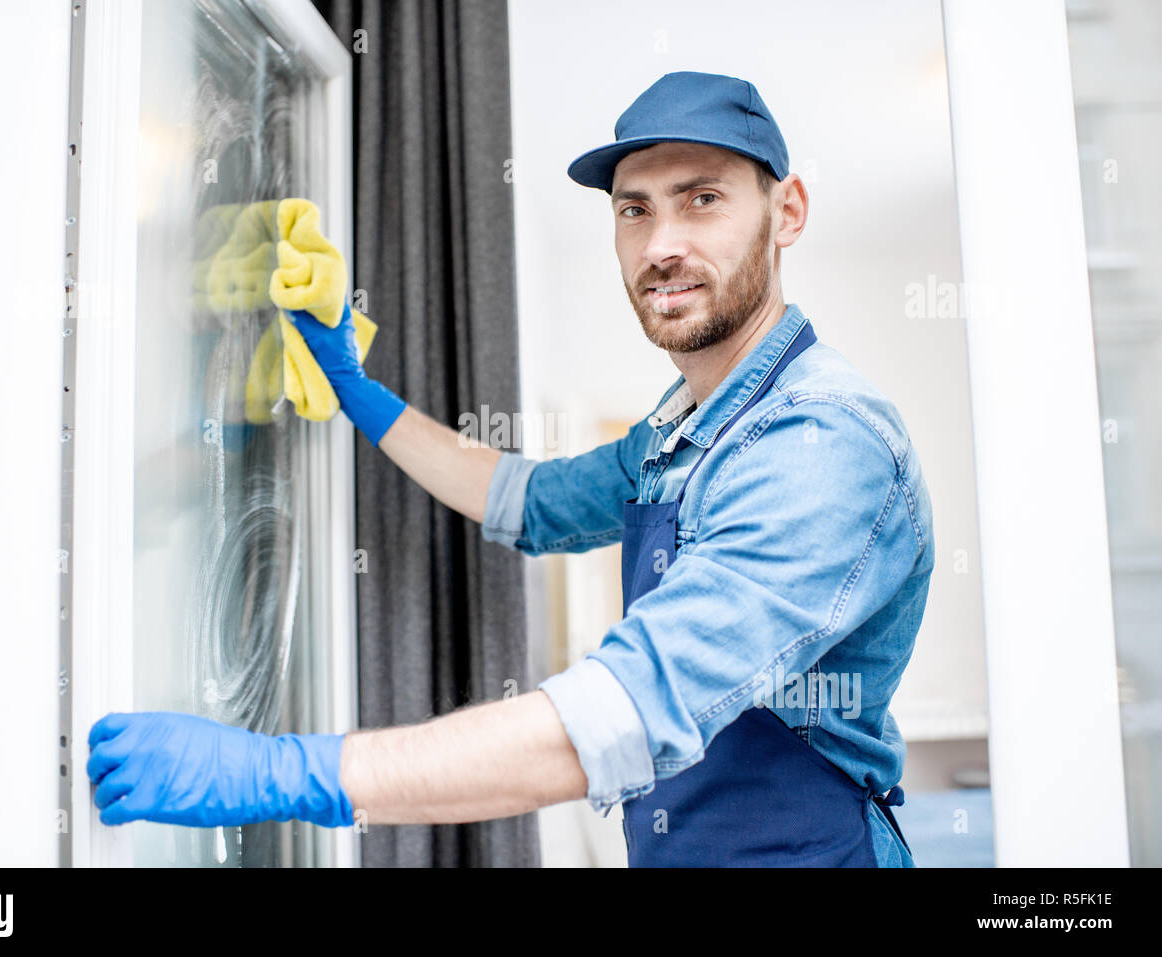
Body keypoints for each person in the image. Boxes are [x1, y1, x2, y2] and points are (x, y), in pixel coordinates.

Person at [88, 71, 931, 867]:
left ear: (787, 211)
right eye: (634, 209)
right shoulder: (683, 433)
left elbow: (626, 711)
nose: (661, 244)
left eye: (702, 199)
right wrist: (358, 392)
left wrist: (281, 773)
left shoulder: (822, 442)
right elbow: (524, 499)